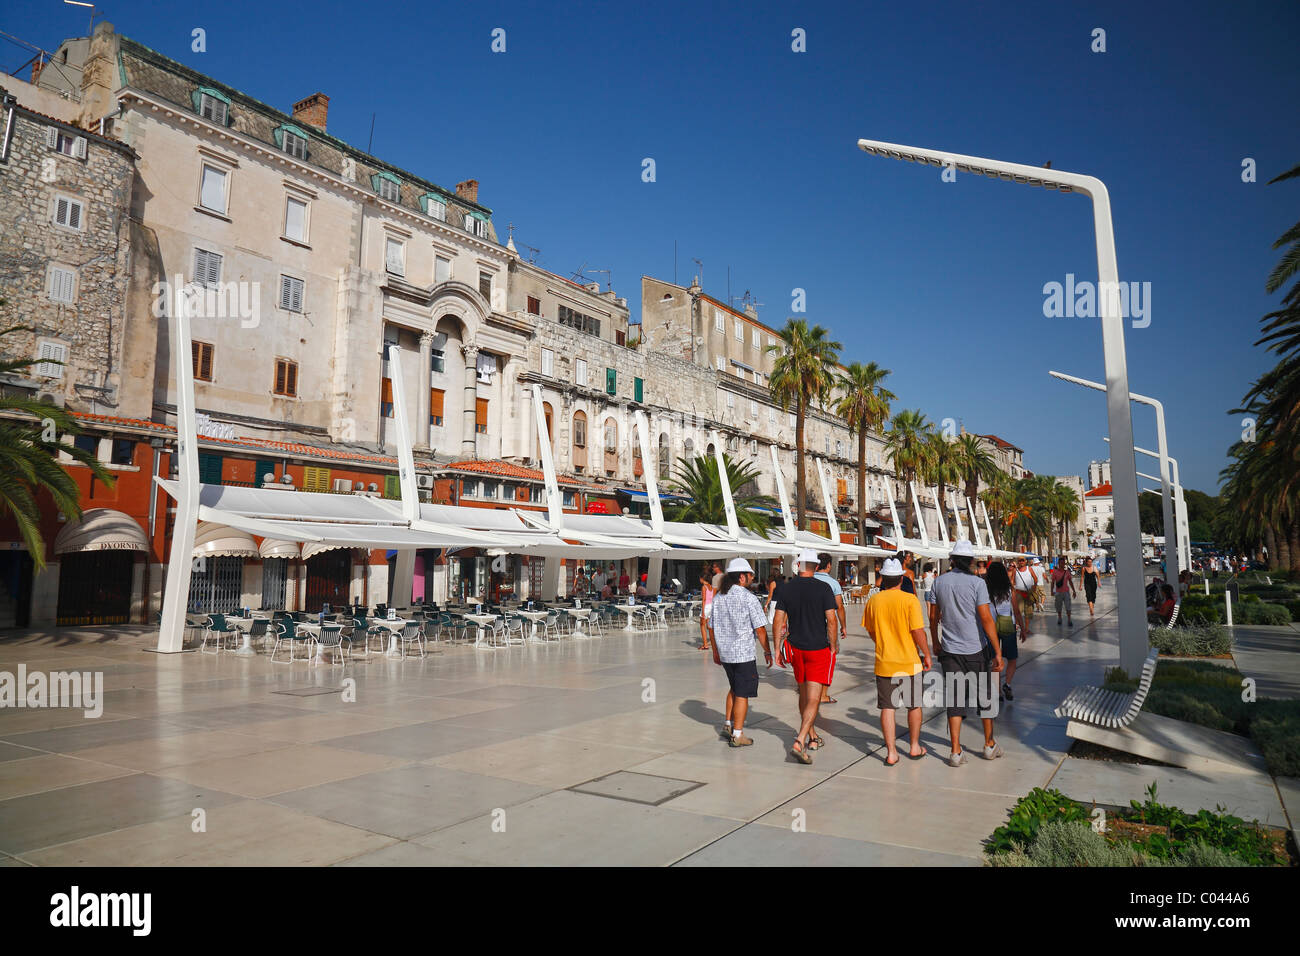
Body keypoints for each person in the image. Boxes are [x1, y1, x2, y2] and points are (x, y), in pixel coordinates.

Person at [928, 539, 1003, 767]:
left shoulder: (938, 582)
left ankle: (955, 751)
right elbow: (986, 618)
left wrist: (935, 642)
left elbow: (933, 617)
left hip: (950, 649)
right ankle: (989, 745)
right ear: (970, 561)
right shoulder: (977, 583)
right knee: (985, 697)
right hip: (976, 649)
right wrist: (997, 650)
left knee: (955, 698)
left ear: (952, 560)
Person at [771, 550, 838, 765]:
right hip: (818, 649)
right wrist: (833, 645)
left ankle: (812, 736)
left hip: (796, 648)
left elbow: (778, 620)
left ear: (798, 566)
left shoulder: (786, 588)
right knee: (814, 698)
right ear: (816, 567)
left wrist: (777, 649)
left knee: (802, 693)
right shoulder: (824, 588)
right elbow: (831, 620)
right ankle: (800, 740)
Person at [862, 557, 932, 764]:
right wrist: (927, 653)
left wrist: (882, 642)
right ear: (901, 579)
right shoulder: (910, 600)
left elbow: (870, 630)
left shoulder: (874, 601)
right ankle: (914, 746)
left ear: (883, 578)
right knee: (914, 705)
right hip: (909, 661)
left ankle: (891, 752)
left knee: (888, 708)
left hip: (885, 662)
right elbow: (917, 631)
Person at [708, 558, 773, 747]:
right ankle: (738, 734)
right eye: (750, 575)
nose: (752, 578)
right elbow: (760, 629)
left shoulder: (719, 597)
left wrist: (715, 651)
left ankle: (728, 724)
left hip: (725, 653)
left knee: (734, 688)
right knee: (742, 693)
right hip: (743, 654)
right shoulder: (748, 598)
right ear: (742, 577)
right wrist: (767, 652)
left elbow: (711, 627)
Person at [814, 553, 847, 704]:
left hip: (806, 625)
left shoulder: (808, 580)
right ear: (828, 566)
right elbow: (839, 607)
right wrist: (843, 626)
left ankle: (808, 688)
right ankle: (823, 694)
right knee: (828, 658)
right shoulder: (833, 583)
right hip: (827, 626)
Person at [986, 561, 1018, 701]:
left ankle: (998, 691)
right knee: (1012, 659)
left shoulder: (985, 590)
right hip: (1008, 625)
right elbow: (1016, 610)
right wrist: (1023, 628)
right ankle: (1008, 684)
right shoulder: (1009, 589)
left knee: (995, 660)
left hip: (991, 627)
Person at [1012, 556, 1037, 638]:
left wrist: (1034, 588)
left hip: (1028, 593)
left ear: (1025, 561)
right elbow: (1012, 581)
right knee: (1018, 611)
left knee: (1028, 612)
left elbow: (1035, 579)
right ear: (1018, 562)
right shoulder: (1015, 570)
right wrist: (1013, 590)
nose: (1021, 562)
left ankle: (1026, 629)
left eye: (1022, 560)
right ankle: (1016, 627)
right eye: (1020, 560)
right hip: (1019, 593)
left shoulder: (1029, 569)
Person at [1051, 557, 1076, 626]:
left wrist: (1074, 591)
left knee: (1068, 606)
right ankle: (1059, 618)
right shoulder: (1055, 572)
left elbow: (1070, 582)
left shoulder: (1067, 572)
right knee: (1059, 606)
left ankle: (1069, 619)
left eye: (1063, 563)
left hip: (1066, 592)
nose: (1062, 564)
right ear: (1058, 563)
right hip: (1058, 592)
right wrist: (1051, 591)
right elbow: (1052, 582)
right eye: (1061, 563)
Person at [699, 569, 716, 651]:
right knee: (709, 627)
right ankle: (713, 643)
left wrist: (702, 612)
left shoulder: (704, 587)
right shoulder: (712, 587)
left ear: (702, 579)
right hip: (711, 607)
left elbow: (704, 600)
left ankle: (705, 644)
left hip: (706, 607)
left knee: (702, 625)